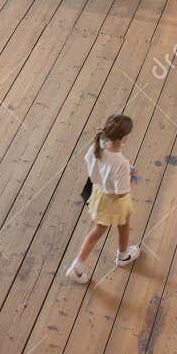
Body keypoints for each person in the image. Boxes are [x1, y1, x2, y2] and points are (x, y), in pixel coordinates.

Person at [66, 114, 140, 282]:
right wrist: (130, 176)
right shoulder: (121, 162)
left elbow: (96, 165)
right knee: (115, 226)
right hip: (115, 200)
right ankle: (120, 256)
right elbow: (122, 192)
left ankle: (82, 263)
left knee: (104, 228)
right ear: (124, 138)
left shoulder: (96, 146)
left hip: (99, 193)